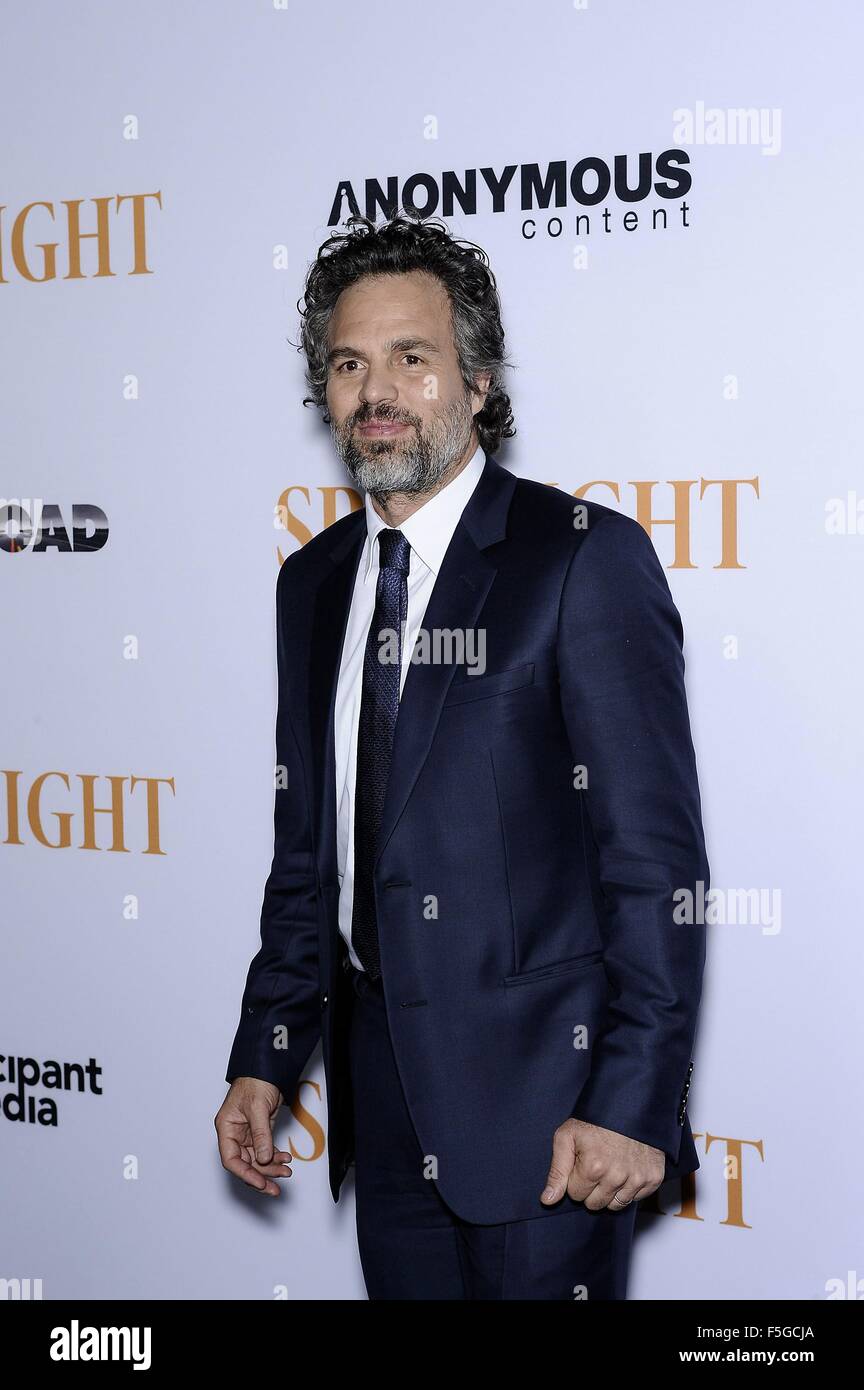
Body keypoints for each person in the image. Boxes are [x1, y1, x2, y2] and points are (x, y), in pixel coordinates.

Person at [215, 213, 708, 1300]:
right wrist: (266, 1051)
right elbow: (312, 856)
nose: (376, 389)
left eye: (412, 357)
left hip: (550, 1112)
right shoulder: (314, 583)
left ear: (476, 382)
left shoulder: (579, 561)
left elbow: (656, 868)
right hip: (381, 1102)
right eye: (349, 362)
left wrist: (631, 1102)